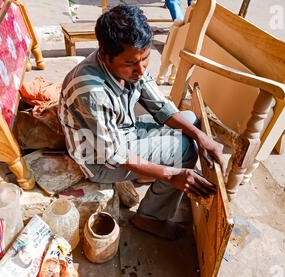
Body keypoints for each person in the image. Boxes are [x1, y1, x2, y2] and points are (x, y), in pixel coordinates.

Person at [58, 5, 223, 241]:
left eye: (145, 59)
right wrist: (171, 174)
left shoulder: (132, 61)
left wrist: (201, 136)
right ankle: (149, 217)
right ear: (105, 55)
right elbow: (113, 156)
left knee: (189, 121)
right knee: (184, 152)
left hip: (124, 133)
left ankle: (148, 173)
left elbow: (161, 107)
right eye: (131, 63)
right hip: (98, 161)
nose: (140, 69)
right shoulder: (91, 90)